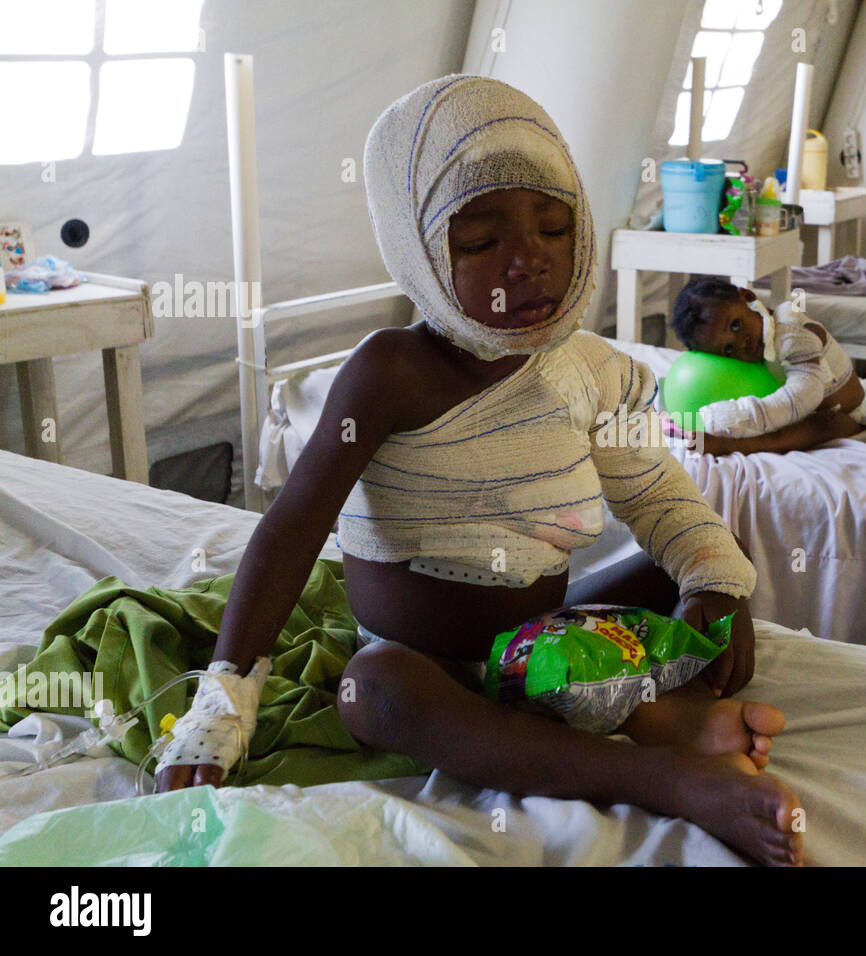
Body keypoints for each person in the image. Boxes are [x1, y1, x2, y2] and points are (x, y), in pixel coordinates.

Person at [154, 75, 804, 866]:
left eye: (555, 227)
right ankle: (665, 772)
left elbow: (655, 489)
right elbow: (294, 525)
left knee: (699, 562)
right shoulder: (390, 372)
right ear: (418, 249)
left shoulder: (589, 369)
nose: (527, 262)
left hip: (537, 645)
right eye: (479, 241)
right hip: (420, 665)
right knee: (371, 690)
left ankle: (641, 710)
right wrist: (225, 697)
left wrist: (714, 581)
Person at [668, 277, 866, 456]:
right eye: (728, 350)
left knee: (827, 423)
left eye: (736, 325)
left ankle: (738, 446)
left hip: (845, 415)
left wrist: (734, 417)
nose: (741, 344)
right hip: (794, 410)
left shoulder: (791, 331)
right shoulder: (758, 340)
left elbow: (806, 394)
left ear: (747, 297)